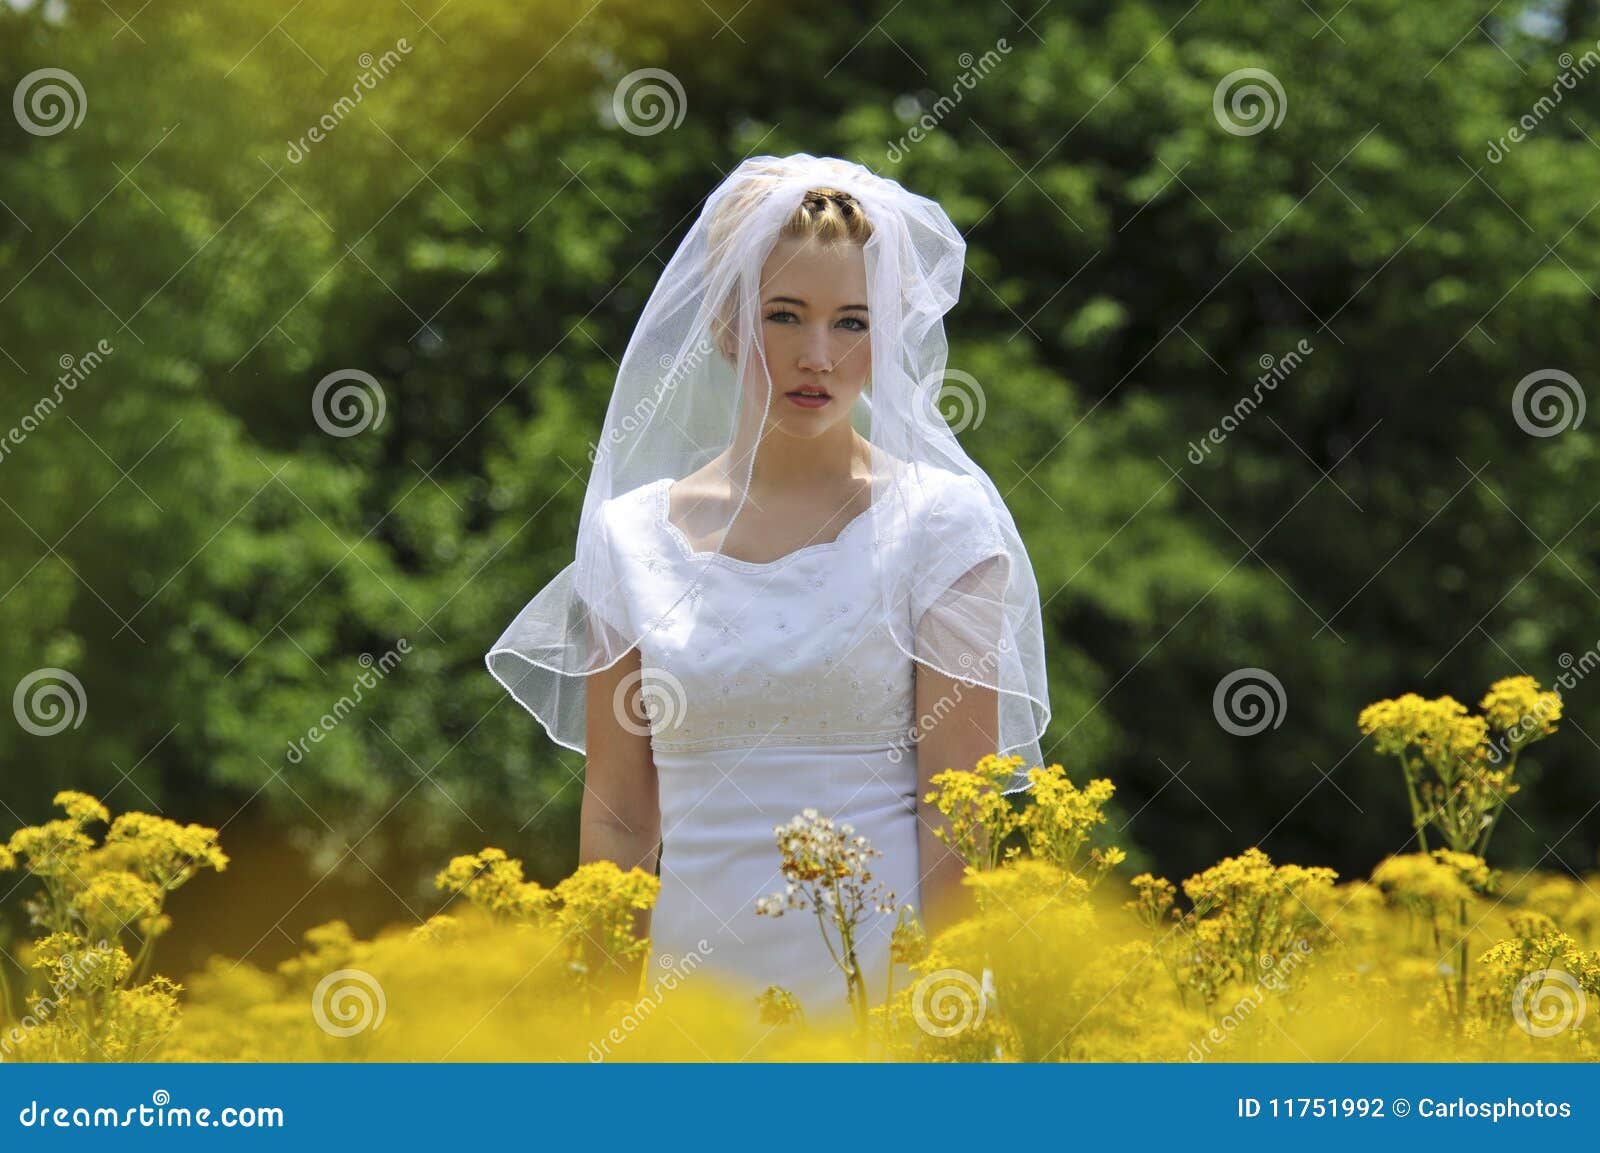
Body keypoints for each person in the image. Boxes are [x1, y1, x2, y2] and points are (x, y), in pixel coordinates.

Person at [486, 153, 1049, 1021]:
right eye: (784, 315)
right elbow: (621, 823)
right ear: (723, 320)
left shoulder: (942, 527)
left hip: (886, 1008)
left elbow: (957, 820)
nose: (817, 355)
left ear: (887, 332)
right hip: (690, 1017)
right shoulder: (630, 538)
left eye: (853, 322)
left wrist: (944, 1032)